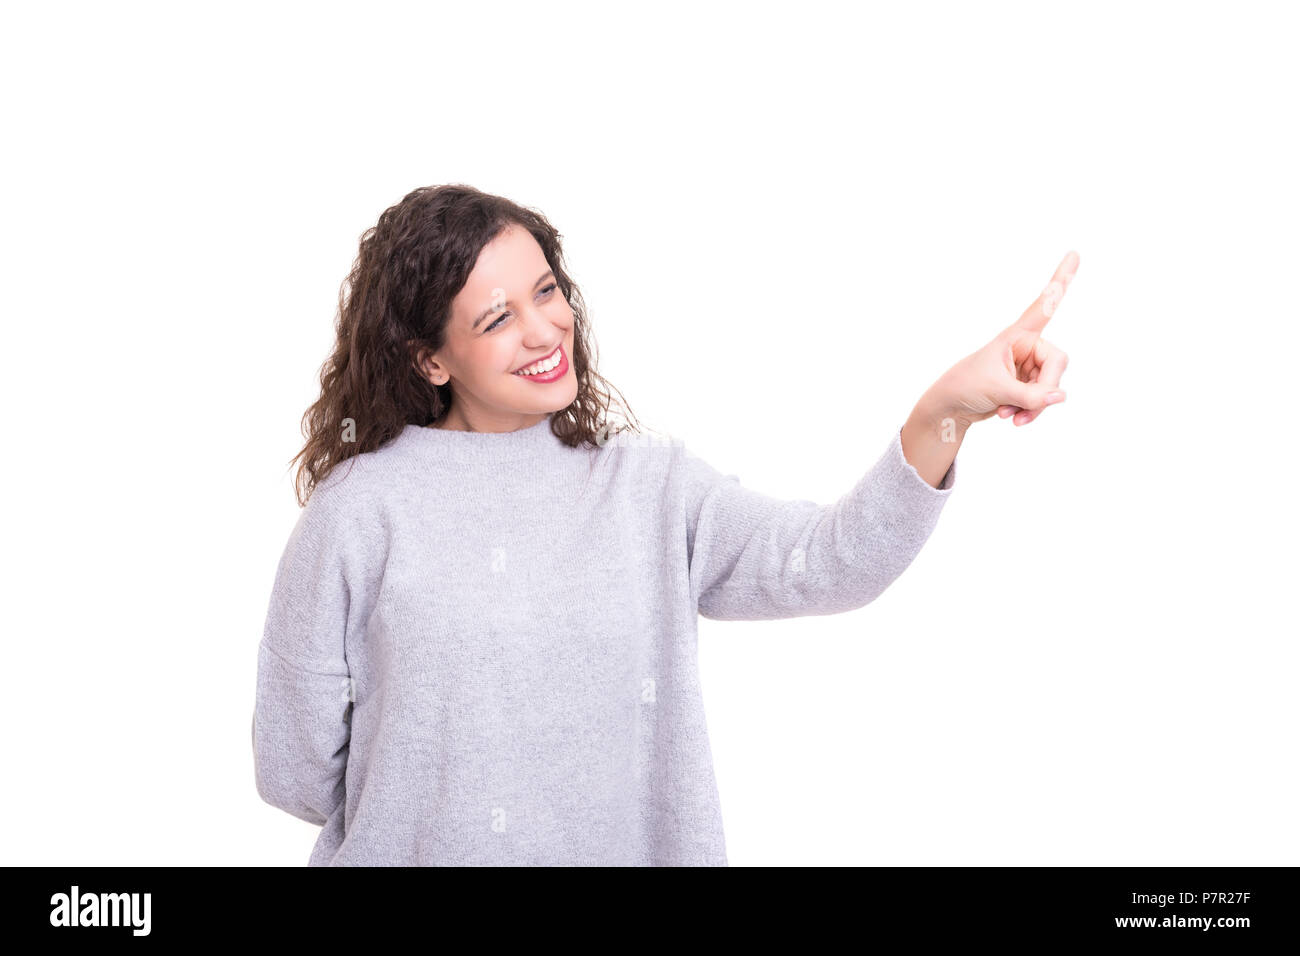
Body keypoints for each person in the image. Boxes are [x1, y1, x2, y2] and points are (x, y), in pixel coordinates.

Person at [251, 183, 1076, 865]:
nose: (545, 331)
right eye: (497, 318)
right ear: (430, 359)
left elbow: (831, 562)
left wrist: (946, 413)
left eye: (547, 292)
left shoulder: (650, 489)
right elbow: (292, 771)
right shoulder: (357, 512)